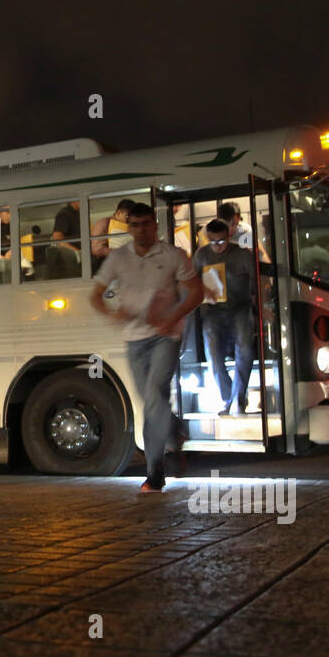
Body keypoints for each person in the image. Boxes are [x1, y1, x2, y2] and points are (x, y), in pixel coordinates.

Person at [90, 203, 203, 492]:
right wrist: (112, 313)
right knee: (150, 402)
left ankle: (155, 473)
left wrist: (173, 317)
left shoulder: (173, 255)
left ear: (155, 225)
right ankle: (173, 432)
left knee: (154, 398)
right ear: (128, 227)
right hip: (134, 340)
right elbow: (95, 295)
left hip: (166, 336)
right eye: (135, 224)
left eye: (146, 224)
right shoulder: (118, 257)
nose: (141, 230)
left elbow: (197, 292)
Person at [193, 219, 257, 415]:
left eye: (222, 241)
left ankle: (237, 399)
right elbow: (190, 281)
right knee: (212, 353)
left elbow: (258, 281)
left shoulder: (243, 254)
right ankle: (229, 398)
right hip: (213, 310)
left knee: (244, 349)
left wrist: (259, 304)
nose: (218, 246)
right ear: (207, 239)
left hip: (240, 306)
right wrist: (202, 290)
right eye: (213, 242)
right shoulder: (201, 255)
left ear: (228, 237)